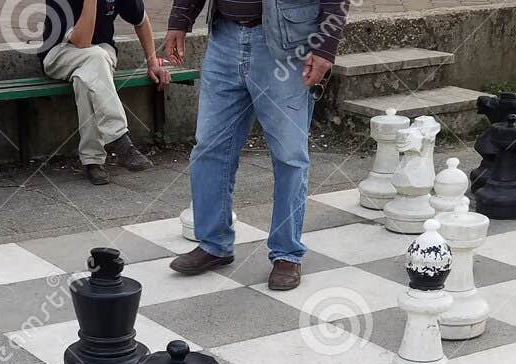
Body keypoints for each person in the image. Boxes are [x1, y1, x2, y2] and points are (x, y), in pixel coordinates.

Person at [164, 0, 347, 290]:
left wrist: (325, 46)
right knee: (209, 147)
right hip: (224, 37)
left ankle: (287, 253)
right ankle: (213, 243)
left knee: (289, 155)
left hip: (288, 44)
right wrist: (180, 19)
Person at [39, 0, 172, 185]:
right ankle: (120, 140)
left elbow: (141, 20)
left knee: (85, 78)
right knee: (95, 58)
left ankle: (92, 161)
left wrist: (153, 63)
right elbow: (82, 42)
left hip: (102, 51)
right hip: (60, 52)